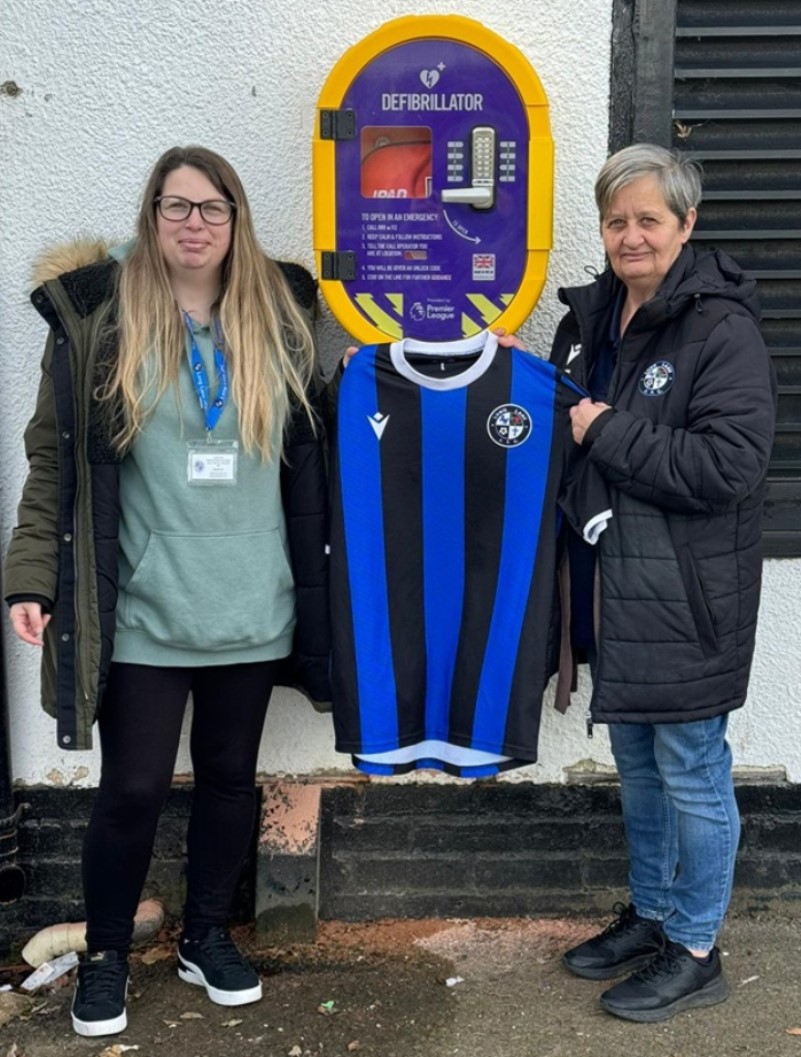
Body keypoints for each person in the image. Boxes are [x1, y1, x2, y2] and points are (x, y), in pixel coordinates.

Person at [3, 146, 330, 1037]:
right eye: (176, 207)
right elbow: (52, 463)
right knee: (133, 787)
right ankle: (106, 952)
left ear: (237, 220)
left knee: (230, 781)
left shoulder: (285, 314)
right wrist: (30, 576)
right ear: (152, 216)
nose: (195, 224)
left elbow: (353, 422)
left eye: (212, 208)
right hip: (143, 605)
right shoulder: (97, 319)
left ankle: (205, 937)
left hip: (252, 601)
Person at [551, 144, 776, 1021]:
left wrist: (605, 431)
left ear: (685, 225)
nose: (630, 235)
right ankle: (651, 915)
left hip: (687, 595)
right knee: (638, 764)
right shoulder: (594, 319)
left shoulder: (719, 329)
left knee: (690, 767)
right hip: (617, 586)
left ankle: (693, 946)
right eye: (616, 220)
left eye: (649, 219)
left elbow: (728, 465)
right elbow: (561, 425)